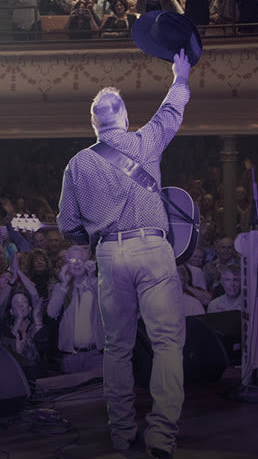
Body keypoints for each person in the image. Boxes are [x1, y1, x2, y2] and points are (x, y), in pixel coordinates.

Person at [57, 46, 193, 459]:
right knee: (167, 343)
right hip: (153, 248)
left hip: (110, 257)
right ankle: (162, 438)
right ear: (126, 119)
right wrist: (180, 76)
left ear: (93, 124)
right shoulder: (146, 141)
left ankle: (121, 434)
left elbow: (67, 226)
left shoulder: (77, 165)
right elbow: (171, 111)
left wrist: (95, 232)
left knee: (117, 347)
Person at [46, 245, 104, 373]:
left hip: (95, 354)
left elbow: (107, 306)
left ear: (87, 263)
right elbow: (51, 313)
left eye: (80, 260)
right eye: (72, 261)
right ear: (66, 265)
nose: (76, 264)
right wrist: (64, 284)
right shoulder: (61, 288)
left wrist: (92, 278)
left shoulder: (97, 284)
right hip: (70, 356)